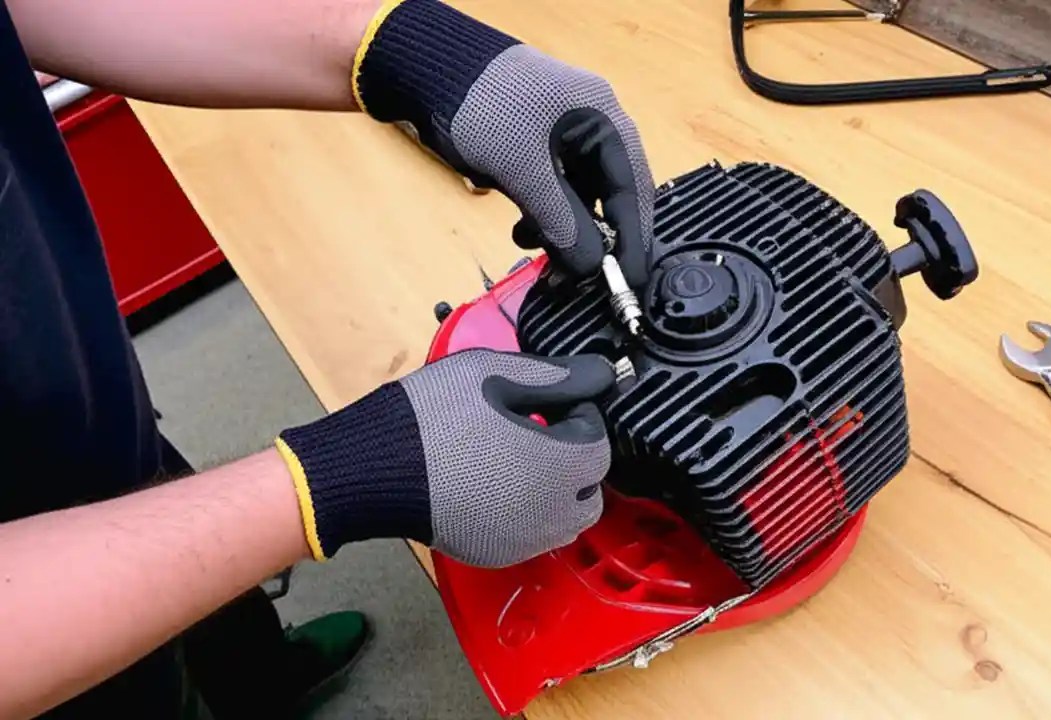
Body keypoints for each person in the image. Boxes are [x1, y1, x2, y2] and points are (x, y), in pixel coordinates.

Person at [0, 0, 654, 717]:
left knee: (205, 591)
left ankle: (259, 676)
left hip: (76, 395)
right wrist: (326, 484)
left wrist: (398, 48)